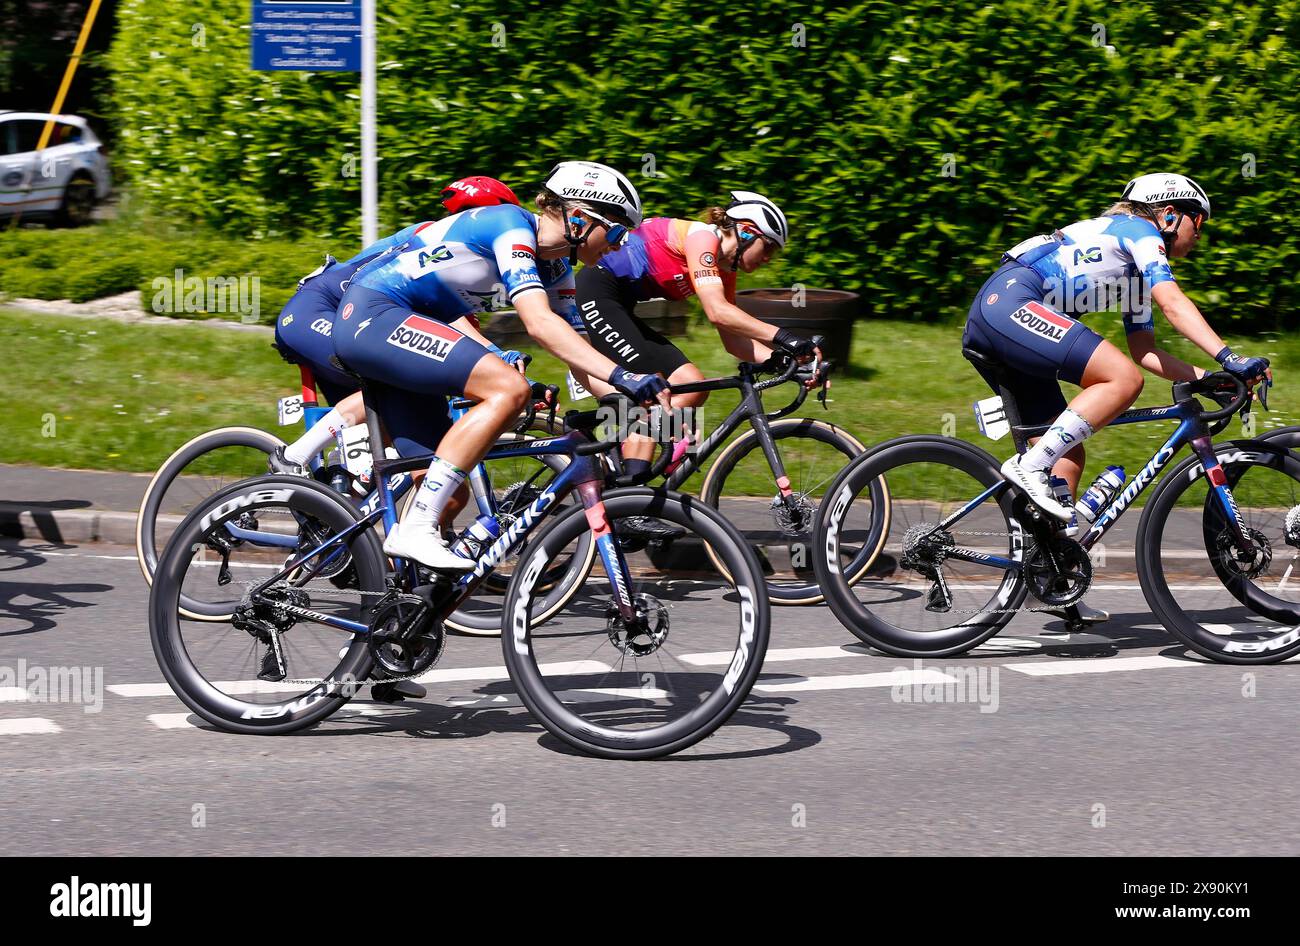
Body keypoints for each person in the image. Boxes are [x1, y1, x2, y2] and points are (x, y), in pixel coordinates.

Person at [963, 172, 1271, 621]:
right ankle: (1028, 467)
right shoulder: (1140, 232)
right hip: (1010, 304)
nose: (1200, 235)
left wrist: (1210, 377)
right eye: (1199, 222)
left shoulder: (1132, 272)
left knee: (1067, 458)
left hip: (1005, 316)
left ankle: (1049, 581)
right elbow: (1174, 304)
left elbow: (1145, 351)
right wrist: (1231, 357)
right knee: (1121, 380)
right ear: (1170, 214)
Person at [332, 160, 669, 570]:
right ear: (579, 218)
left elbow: (577, 349)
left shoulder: (557, 267)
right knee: (508, 388)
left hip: (405, 328)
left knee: (449, 493)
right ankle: (415, 528)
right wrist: (624, 376)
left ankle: (396, 592)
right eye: (616, 232)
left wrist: (623, 400)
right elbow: (539, 324)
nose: (618, 246)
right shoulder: (511, 226)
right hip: (374, 315)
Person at [270, 176, 523, 473]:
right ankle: (293, 457)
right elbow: (456, 323)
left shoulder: (470, 259)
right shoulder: (435, 238)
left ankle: (352, 484)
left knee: (405, 408)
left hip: (353, 319)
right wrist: (499, 357)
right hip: (315, 311)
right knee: (392, 374)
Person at [570, 191, 814, 485]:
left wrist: (789, 361)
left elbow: (734, 340)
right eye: (769, 247)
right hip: (595, 294)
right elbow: (717, 312)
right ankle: (630, 490)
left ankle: (625, 461)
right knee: (650, 393)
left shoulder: (724, 269)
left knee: (690, 384)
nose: (767, 258)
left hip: (618, 304)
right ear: (747, 232)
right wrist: (787, 339)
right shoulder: (702, 238)